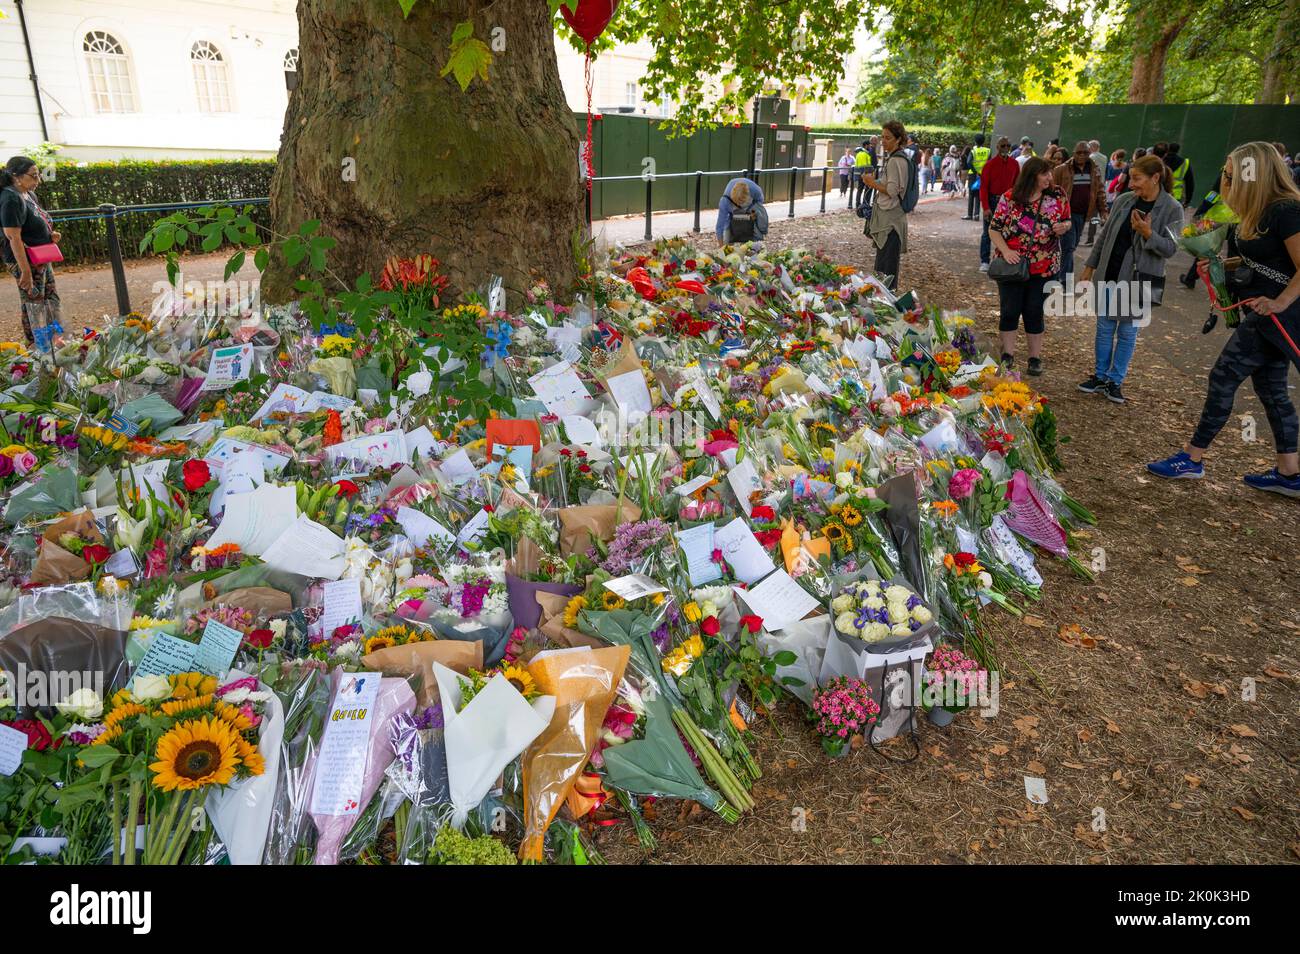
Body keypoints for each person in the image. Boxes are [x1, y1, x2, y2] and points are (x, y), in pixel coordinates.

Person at [1148, 141, 1300, 497]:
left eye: (1231, 174)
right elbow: (1261, 261)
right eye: (1226, 173)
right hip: (1259, 310)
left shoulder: (1286, 211)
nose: (1226, 179)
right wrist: (1220, 265)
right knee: (1272, 389)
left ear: (1255, 173)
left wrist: (1280, 302)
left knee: (1223, 375)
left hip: (1274, 317)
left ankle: (1193, 457)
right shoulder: (1252, 210)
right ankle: (1290, 473)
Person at [1077, 154, 1182, 403]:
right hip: (1109, 273)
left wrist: (1148, 233)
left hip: (1139, 279)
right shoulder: (1124, 200)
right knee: (1104, 328)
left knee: (1127, 332)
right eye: (1131, 177)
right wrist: (1090, 266)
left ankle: (1115, 381)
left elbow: (1170, 248)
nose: (1132, 183)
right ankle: (1100, 376)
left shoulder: (1172, 208)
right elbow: (1104, 236)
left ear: (1155, 178)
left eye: (1137, 178)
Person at [987, 156, 1071, 375]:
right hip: (1012, 265)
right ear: (1031, 176)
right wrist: (1005, 251)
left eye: (1050, 173)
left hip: (1044, 266)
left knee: (1034, 310)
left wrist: (1064, 226)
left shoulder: (1057, 195)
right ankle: (1008, 354)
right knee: (1009, 310)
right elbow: (994, 228)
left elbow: (1067, 219)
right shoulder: (1010, 197)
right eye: (1045, 174)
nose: (1050, 178)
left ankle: (1034, 358)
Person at [1, 156, 63, 348]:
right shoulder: (10, 198)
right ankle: (37, 347)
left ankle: (57, 340)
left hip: (41, 255)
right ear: (16, 177)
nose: (38, 181)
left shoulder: (28, 194)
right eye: (33, 176)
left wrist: (49, 235)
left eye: (38, 175)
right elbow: (13, 237)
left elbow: (34, 221)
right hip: (25, 260)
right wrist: (25, 270)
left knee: (50, 298)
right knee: (34, 303)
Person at [861, 120, 911, 291]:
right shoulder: (897, 158)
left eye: (888, 138)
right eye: (882, 137)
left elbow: (891, 190)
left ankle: (885, 304)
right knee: (884, 268)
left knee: (886, 270)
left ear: (898, 139)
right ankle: (882, 301)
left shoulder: (897, 160)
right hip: (890, 221)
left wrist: (871, 182)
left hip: (890, 222)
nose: (883, 141)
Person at [1050, 141, 1106, 281]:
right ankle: (1064, 280)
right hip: (1066, 214)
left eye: (1085, 153)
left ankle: (1058, 274)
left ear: (1089, 154)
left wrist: (1104, 211)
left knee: (1071, 247)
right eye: (1079, 152)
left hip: (1083, 214)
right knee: (1068, 247)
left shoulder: (1094, 170)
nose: (1082, 155)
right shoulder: (1061, 170)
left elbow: (1099, 191)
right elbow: (1051, 191)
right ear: (1074, 153)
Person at [979, 136, 1019, 273]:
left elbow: (1017, 184)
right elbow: (983, 187)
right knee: (987, 231)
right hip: (992, 200)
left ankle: (1002, 259)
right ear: (997, 147)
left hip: (1008, 201)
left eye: (1008, 146)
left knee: (1007, 232)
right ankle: (984, 261)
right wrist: (985, 207)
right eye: (1003, 146)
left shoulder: (1014, 164)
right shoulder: (989, 165)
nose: (1006, 148)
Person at [715, 177, 768, 243]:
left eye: (741, 202)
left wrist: (753, 213)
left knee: (757, 219)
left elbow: (759, 203)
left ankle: (757, 243)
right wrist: (721, 246)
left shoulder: (755, 190)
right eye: (737, 203)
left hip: (749, 207)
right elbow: (720, 225)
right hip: (733, 213)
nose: (739, 205)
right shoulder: (725, 201)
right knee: (726, 238)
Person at [964, 133, 990, 220]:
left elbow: (968, 162)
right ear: (984, 141)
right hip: (984, 175)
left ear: (975, 141)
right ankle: (976, 215)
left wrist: (976, 171)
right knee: (979, 194)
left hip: (973, 175)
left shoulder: (973, 151)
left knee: (971, 194)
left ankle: (969, 214)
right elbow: (990, 163)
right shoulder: (988, 151)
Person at [1164, 142, 1194, 208]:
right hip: (1176, 196)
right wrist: (1187, 200)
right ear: (1178, 150)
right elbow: (1190, 184)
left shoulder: (1161, 160)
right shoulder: (1185, 163)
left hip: (1160, 193)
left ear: (1167, 149)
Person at [853, 139, 873, 209]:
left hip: (858, 175)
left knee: (859, 189)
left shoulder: (858, 154)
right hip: (865, 175)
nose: (870, 146)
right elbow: (869, 166)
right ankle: (865, 204)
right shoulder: (866, 154)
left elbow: (856, 165)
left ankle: (857, 204)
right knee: (867, 189)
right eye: (869, 145)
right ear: (866, 146)